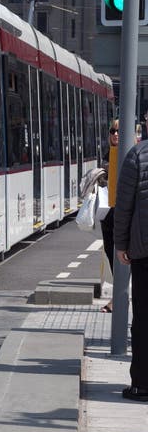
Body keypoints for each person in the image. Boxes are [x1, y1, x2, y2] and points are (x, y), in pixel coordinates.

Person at [114, 131, 148, 401]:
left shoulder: (137, 155)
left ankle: (142, 384)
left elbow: (124, 205)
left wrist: (121, 243)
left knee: (144, 319)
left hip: (144, 250)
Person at [99, 118, 118, 313]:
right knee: (111, 254)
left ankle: (118, 299)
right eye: (112, 131)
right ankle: (118, 297)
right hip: (107, 215)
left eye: (118, 131)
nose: (115, 134)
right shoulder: (106, 155)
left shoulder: (130, 154)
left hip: (123, 214)